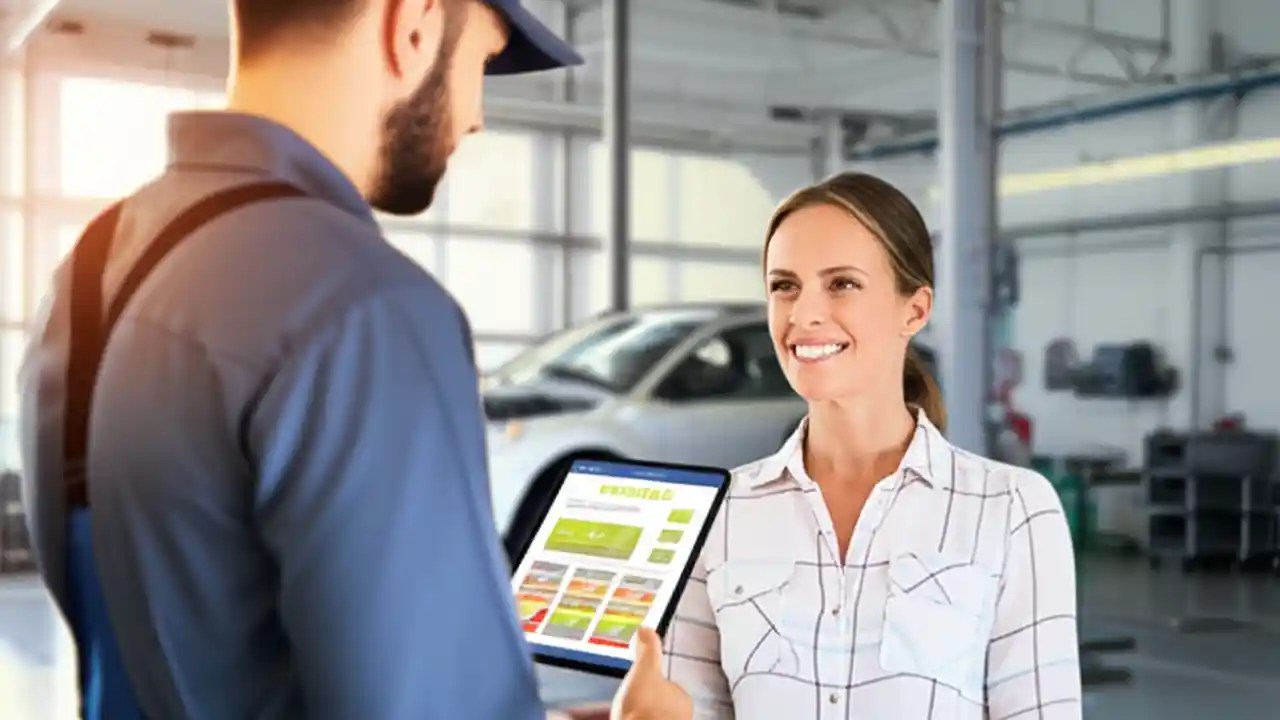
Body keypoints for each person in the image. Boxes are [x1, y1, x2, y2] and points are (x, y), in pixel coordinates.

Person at [17, 0, 688, 718]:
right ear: (414, 25)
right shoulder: (363, 305)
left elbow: (202, 655)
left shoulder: (90, 273)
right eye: (482, 63)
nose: (477, 115)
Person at [657, 172, 1082, 719]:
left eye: (842, 284)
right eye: (785, 285)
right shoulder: (720, 514)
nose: (804, 315)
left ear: (915, 309)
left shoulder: (1013, 510)